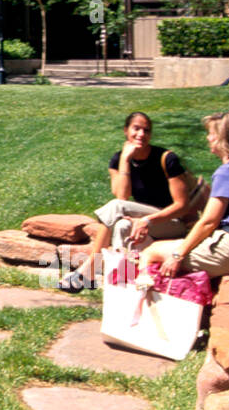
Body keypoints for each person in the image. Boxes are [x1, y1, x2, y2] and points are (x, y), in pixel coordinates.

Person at [59, 111, 208, 292]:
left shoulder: (167, 159)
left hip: (174, 224)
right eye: (136, 129)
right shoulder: (118, 160)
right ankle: (124, 285)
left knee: (116, 207)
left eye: (146, 130)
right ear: (126, 131)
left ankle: (91, 266)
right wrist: (125, 159)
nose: (141, 134)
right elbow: (122, 194)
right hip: (145, 223)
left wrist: (147, 220)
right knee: (121, 225)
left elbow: (181, 206)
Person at [138, 110, 229, 280]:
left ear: (225, 138)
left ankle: (131, 293)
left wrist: (177, 256)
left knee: (150, 252)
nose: (208, 138)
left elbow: (209, 222)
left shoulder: (227, 172)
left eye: (212, 134)